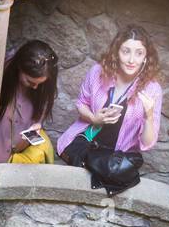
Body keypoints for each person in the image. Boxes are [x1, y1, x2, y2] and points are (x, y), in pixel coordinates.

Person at [57, 26, 162, 190]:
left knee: (106, 173)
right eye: (126, 51)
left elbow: (147, 143)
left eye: (139, 53)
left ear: (146, 57)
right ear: (116, 52)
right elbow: (81, 103)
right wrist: (94, 119)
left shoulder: (152, 89)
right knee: (78, 166)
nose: (131, 60)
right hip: (88, 139)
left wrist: (149, 116)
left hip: (115, 152)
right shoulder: (98, 72)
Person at [0, 39, 58, 164]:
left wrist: (38, 123)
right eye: (30, 82)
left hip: (24, 149)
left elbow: (43, 105)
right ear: (19, 68)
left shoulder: (44, 83)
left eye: (40, 84)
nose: (35, 87)